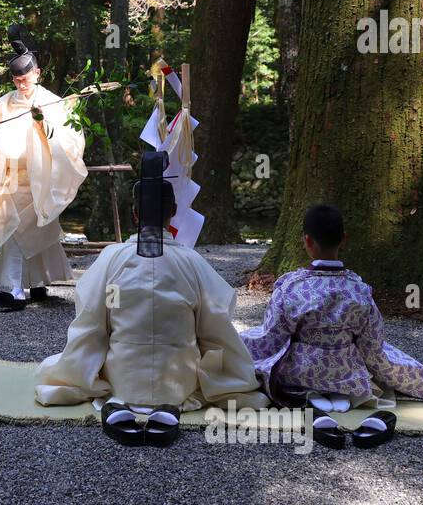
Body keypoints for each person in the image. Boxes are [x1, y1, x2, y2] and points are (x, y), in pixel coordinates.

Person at [35, 151, 270, 417]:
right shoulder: (192, 262)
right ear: (174, 211)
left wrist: (82, 366)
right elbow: (216, 325)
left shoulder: (112, 259)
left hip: (124, 382)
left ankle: (120, 401)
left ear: (135, 214)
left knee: (61, 359)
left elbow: (92, 323)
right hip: (179, 384)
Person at [240, 204, 423, 413]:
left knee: (247, 342)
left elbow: (272, 337)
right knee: (375, 357)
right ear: (343, 239)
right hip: (346, 369)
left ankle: (309, 392)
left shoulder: (291, 288)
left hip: (301, 370)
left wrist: (239, 344)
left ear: (307, 240)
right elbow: (371, 346)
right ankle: (340, 390)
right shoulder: (359, 290)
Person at [0, 23, 87, 311]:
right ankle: (13, 288)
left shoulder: (53, 104)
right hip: (9, 181)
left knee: (28, 231)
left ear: (37, 73)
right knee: (11, 231)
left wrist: (42, 124)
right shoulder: (1, 106)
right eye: (16, 80)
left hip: (40, 181)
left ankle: (28, 284)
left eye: (25, 79)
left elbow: (69, 140)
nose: (21, 85)